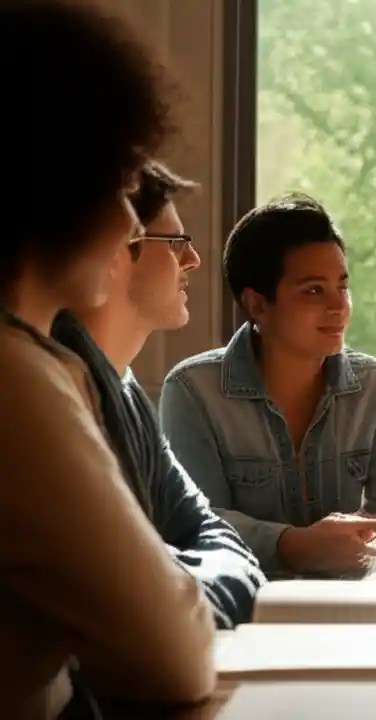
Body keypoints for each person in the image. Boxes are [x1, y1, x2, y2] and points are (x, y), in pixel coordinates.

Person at [0, 2, 215, 716]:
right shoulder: (15, 382)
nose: (131, 222)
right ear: (60, 181)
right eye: (122, 186)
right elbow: (175, 655)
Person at [161, 194, 376, 578]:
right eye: (314, 290)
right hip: (240, 614)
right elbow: (193, 526)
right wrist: (294, 546)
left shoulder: (375, 386)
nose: (339, 307)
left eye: (343, 286)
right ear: (258, 305)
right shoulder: (193, 390)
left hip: (354, 612)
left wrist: (355, 548)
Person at [51, 161, 265, 629]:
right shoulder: (54, 399)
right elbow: (138, 608)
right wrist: (173, 582)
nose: (193, 260)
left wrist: (170, 578)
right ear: (115, 247)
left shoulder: (124, 390)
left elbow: (215, 535)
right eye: (176, 244)